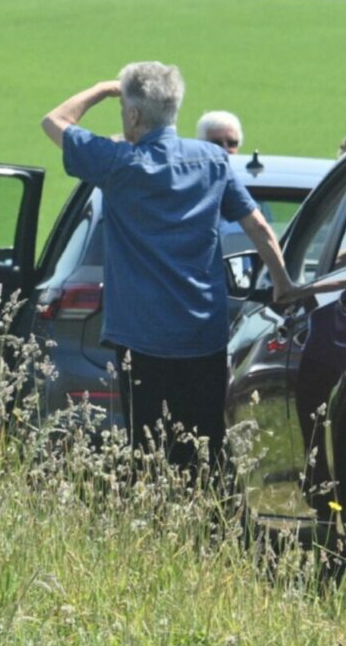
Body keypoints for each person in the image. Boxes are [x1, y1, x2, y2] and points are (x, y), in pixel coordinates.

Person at [43, 64, 295, 477]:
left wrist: (103, 89)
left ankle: (161, 528)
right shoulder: (214, 161)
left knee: (150, 451)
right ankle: (210, 529)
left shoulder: (118, 164)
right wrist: (282, 284)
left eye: (124, 108)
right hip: (203, 336)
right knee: (208, 449)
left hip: (142, 340)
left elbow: (54, 122)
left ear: (135, 116)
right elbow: (259, 229)